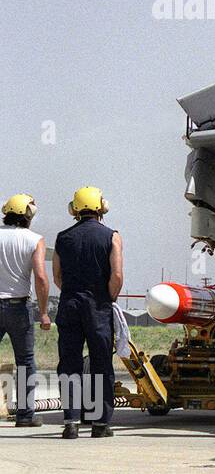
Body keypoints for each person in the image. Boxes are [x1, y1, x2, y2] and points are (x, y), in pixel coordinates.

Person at [52, 187, 123, 439]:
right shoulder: (112, 236)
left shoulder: (62, 237)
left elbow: (57, 277)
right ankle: (100, 424)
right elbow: (116, 275)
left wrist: (73, 292)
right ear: (101, 207)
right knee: (101, 362)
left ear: (74, 209)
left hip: (70, 303)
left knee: (69, 362)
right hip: (98, 306)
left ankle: (71, 421)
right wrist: (107, 298)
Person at [0, 194, 51, 427]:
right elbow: (40, 277)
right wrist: (43, 312)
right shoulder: (35, 239)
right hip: (19, 306)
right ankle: (25, 415)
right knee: (25, 361)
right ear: (28, 216)